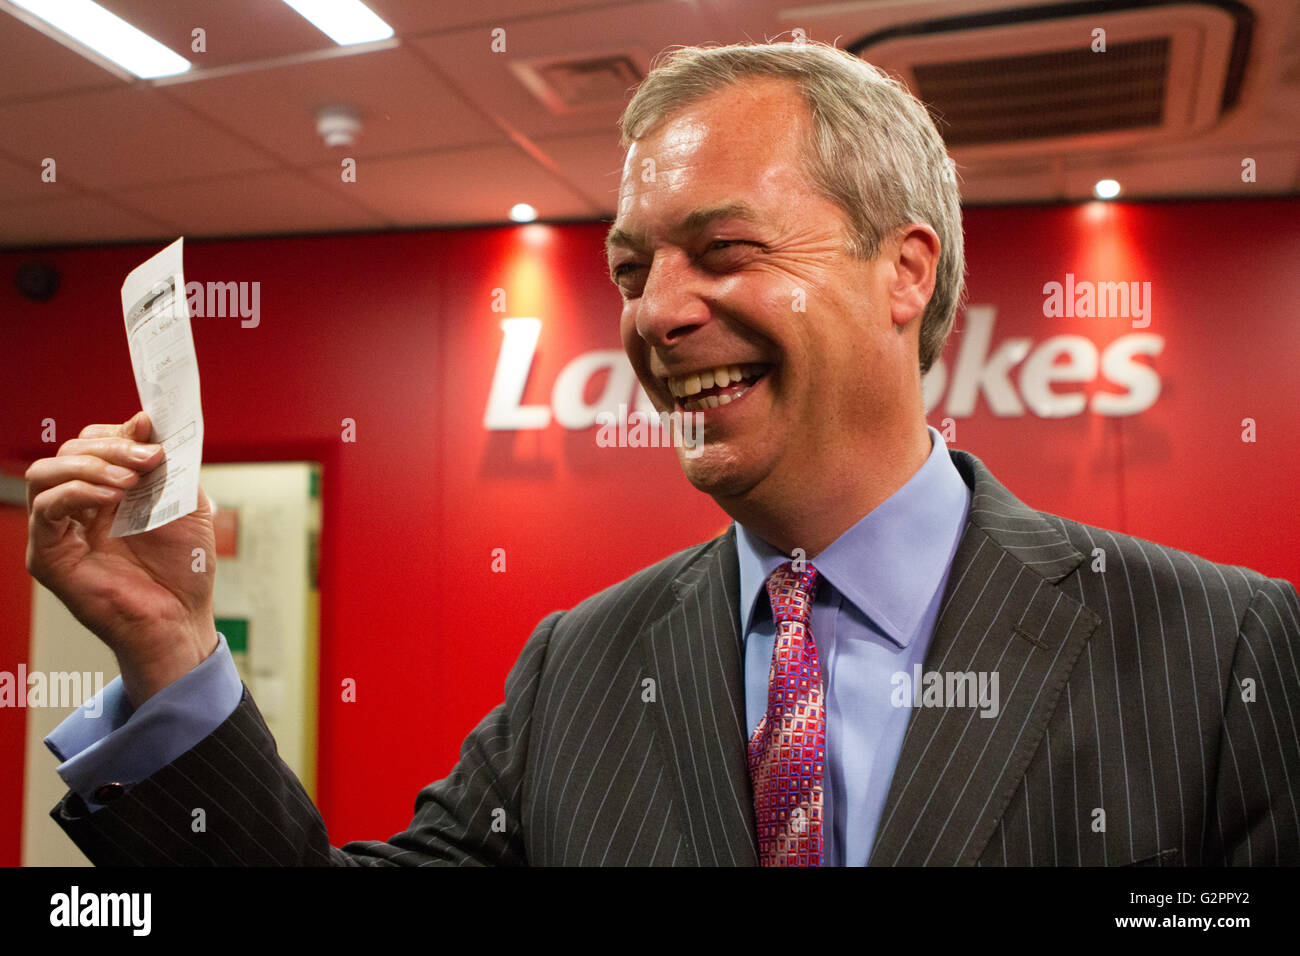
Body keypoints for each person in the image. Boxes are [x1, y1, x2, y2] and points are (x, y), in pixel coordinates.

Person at [25, 40, 1300, 866]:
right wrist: (171, 652)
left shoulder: (1222, 649)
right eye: (632, 268)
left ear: (903, 270)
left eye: (723, 251)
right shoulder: (580, 665)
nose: (653, 311)